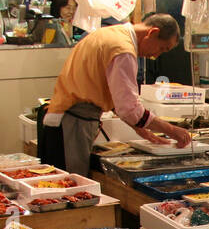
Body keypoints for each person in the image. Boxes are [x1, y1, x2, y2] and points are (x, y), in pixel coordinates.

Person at [40, 12, 191, 174]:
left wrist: (139, 128)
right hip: (74, 122)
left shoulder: (111, 34)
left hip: (61, 116)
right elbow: (129, 109)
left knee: (58, 183)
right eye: (162, 48)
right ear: (152, 32)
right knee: (71, 186)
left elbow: (110, 92)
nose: (155, 55)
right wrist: (173, 131)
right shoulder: (123, 50)